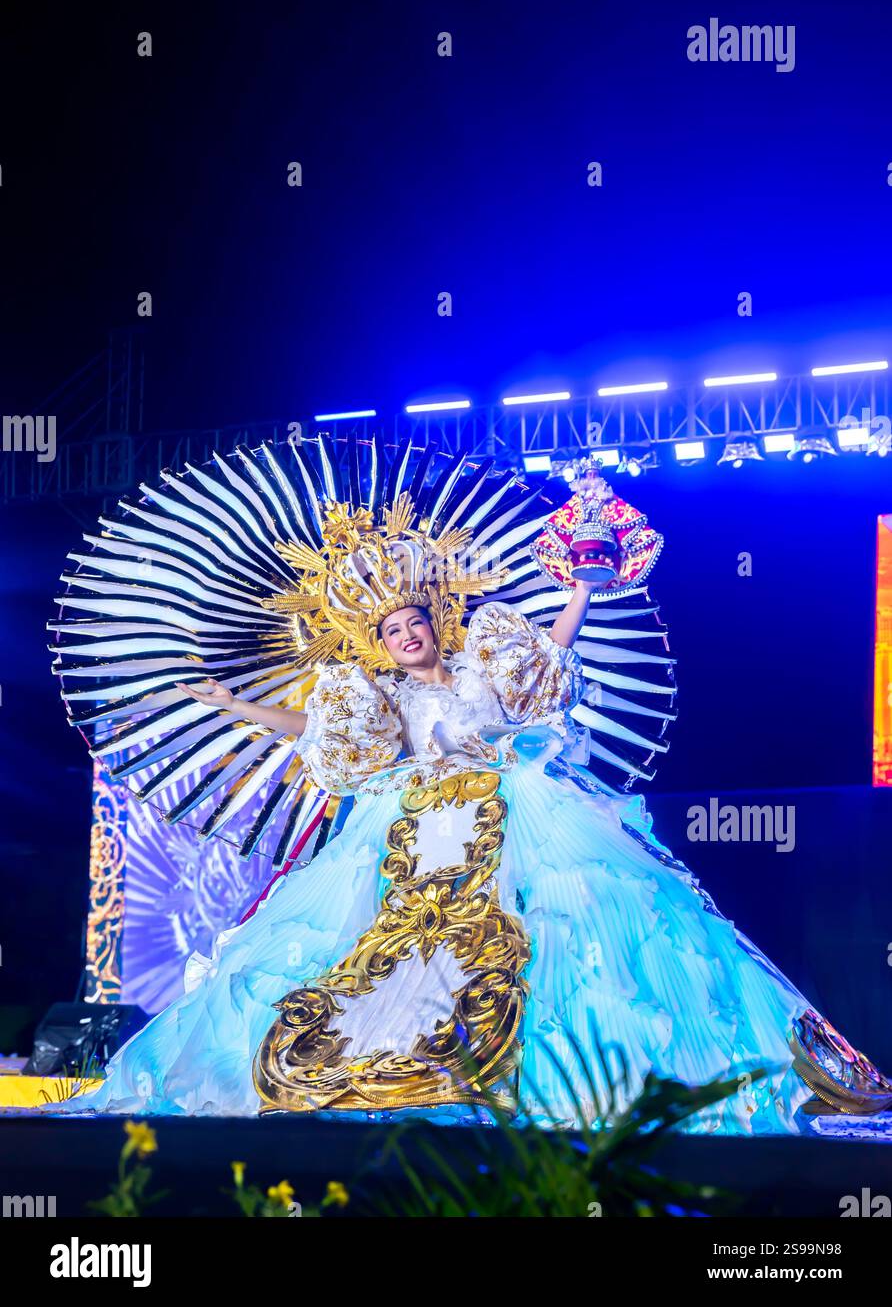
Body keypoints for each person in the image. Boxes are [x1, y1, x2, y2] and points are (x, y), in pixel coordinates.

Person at [35, 451, 892, 1129]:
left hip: (518, 814)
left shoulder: (489, 662)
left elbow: (550, 658)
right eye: (391, 631)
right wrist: (238, 706)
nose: (406, 636)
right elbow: (316, 731)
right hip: (412, 831)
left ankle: (589, 1084)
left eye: (413, 622)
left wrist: (582, 587)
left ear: (432, 623)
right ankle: (404, 1066)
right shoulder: (378, 701)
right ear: (378, 646)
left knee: (581, 939)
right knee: (361, 954)